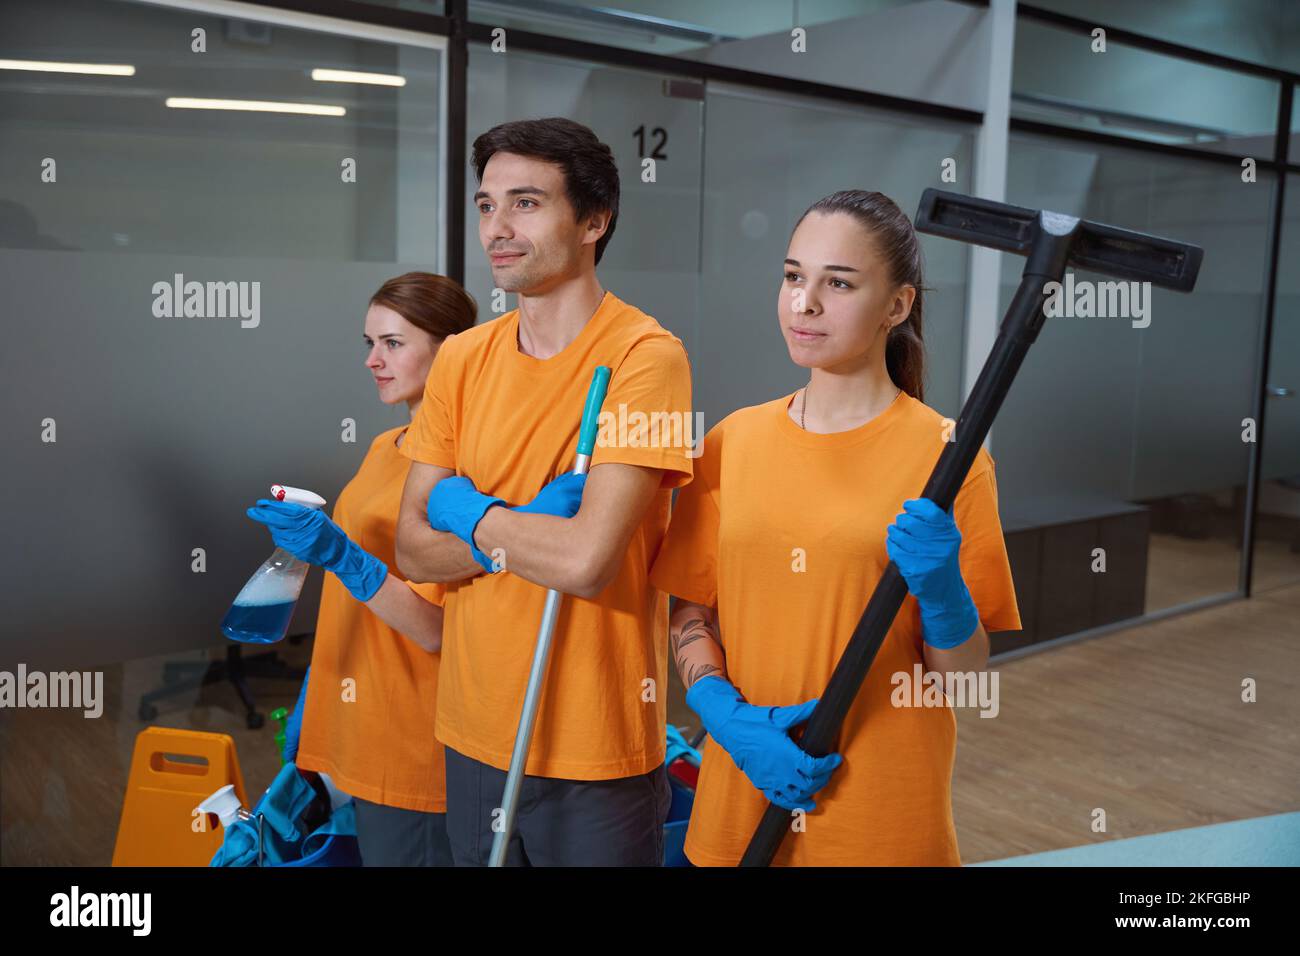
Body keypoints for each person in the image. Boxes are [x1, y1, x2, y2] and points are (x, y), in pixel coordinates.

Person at [649, 190, 1022, 866]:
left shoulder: (951, 459)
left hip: (879, 817)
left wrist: (941, 594)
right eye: (793, 276)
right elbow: (690, 607)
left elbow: (965, 683)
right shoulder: (734, 442)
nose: (804, 303)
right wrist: (722, 715)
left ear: (898, 305)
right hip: (741, 800)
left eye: (838, 283)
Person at [394, 117, 693, 866]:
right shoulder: (461, 359)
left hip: (594, 747)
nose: (497, 227)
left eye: (525, 203)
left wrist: (465, 515)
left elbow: (586, 563)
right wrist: (516, 525)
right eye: (487, 205)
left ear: (595, 220)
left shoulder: (645, 358)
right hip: (471, 730)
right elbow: (411, 549)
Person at [247, 272, 477, 866]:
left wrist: (342, 555)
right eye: (369, 343)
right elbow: (358, 582)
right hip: (357, 714)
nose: (373, 360)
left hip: (414, 736)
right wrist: (315, 693)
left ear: (449, 350)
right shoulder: (390, 445)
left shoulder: (467, 470)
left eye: (393, 343)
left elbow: (437, 630)